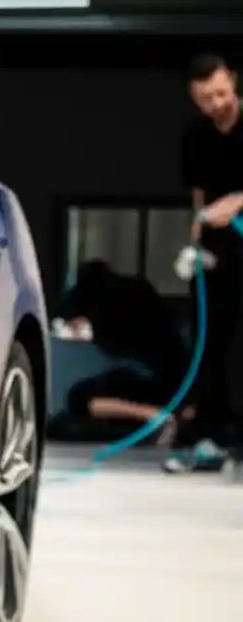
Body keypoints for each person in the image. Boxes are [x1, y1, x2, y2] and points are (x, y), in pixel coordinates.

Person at [169, 53, 243, 472]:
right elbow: (198, 197)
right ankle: (211, 435)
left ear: (232, 81)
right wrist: (193, 245)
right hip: (218, 247)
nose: (216, 104)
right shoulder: (195, 136)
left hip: (239, 224)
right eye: (205, 99)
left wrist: (237, 201)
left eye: (220, 93)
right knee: (211, 338)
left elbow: (227, 201)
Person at [56, 261, 192, 445]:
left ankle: (156, 417)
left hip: (152, 376)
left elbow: (67, 313)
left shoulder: (106, 302)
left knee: (79, 397)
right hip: (172, 376)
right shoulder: (136, 290)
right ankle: (164, 414)